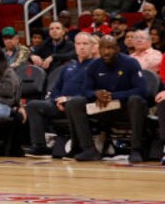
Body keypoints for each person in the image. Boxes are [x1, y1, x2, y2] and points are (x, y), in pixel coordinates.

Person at [66, 35, 151, 163]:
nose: (107, 52)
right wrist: (96, 94)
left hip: (125, 109)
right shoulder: (94, 66)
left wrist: (113, 96)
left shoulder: (130, 63)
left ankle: (136, 149)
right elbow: (85, 90)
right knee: (74, 102)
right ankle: (89, 149)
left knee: (136, 100)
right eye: (104, 48)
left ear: (117, 49)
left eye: (111, 48)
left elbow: (141, 90)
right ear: (99, 49)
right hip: (103, 108)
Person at [22, 32, 97, 158]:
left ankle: (83, 147)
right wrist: (56, 100)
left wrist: (68, 99)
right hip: (60, 104)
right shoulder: (69, 66)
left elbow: (91, 91)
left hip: (80, 105)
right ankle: (40, 146)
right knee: (33, 105)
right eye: (78, 44)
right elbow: (56, 88)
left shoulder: (95, 66)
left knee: (74, 103)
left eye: (85, 44)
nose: (82, 47)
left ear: (92, 46)